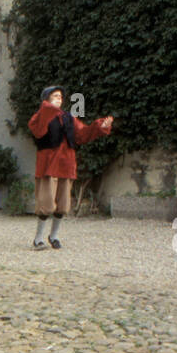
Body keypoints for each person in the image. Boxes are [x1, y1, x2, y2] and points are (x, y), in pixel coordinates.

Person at [28, 86, 113, 249]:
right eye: (54, 96)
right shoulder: (39, 116)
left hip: (66, 165)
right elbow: (38, 130)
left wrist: (100, 126)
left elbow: (82, 134)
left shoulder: (68, 118)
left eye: (60, 96)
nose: (59, 98)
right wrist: (48, 108)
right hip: (48, 165)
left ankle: (53, 236)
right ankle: (38, 238)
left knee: (63, 204)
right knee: (45, 204)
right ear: (46, 99)